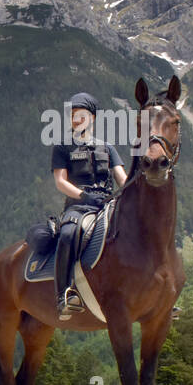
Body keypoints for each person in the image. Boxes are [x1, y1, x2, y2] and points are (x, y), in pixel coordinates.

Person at [52, 92, 128, 319]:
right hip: (78, 207)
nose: (76, 120)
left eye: (81, 115)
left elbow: (122, 179)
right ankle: (64, 294)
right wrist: (83, 196)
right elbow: (60, 181)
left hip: (107, 204)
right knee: (67, 234)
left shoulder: (108, 148)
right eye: (73, 116)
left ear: (92, 118)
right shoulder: (63, 147)